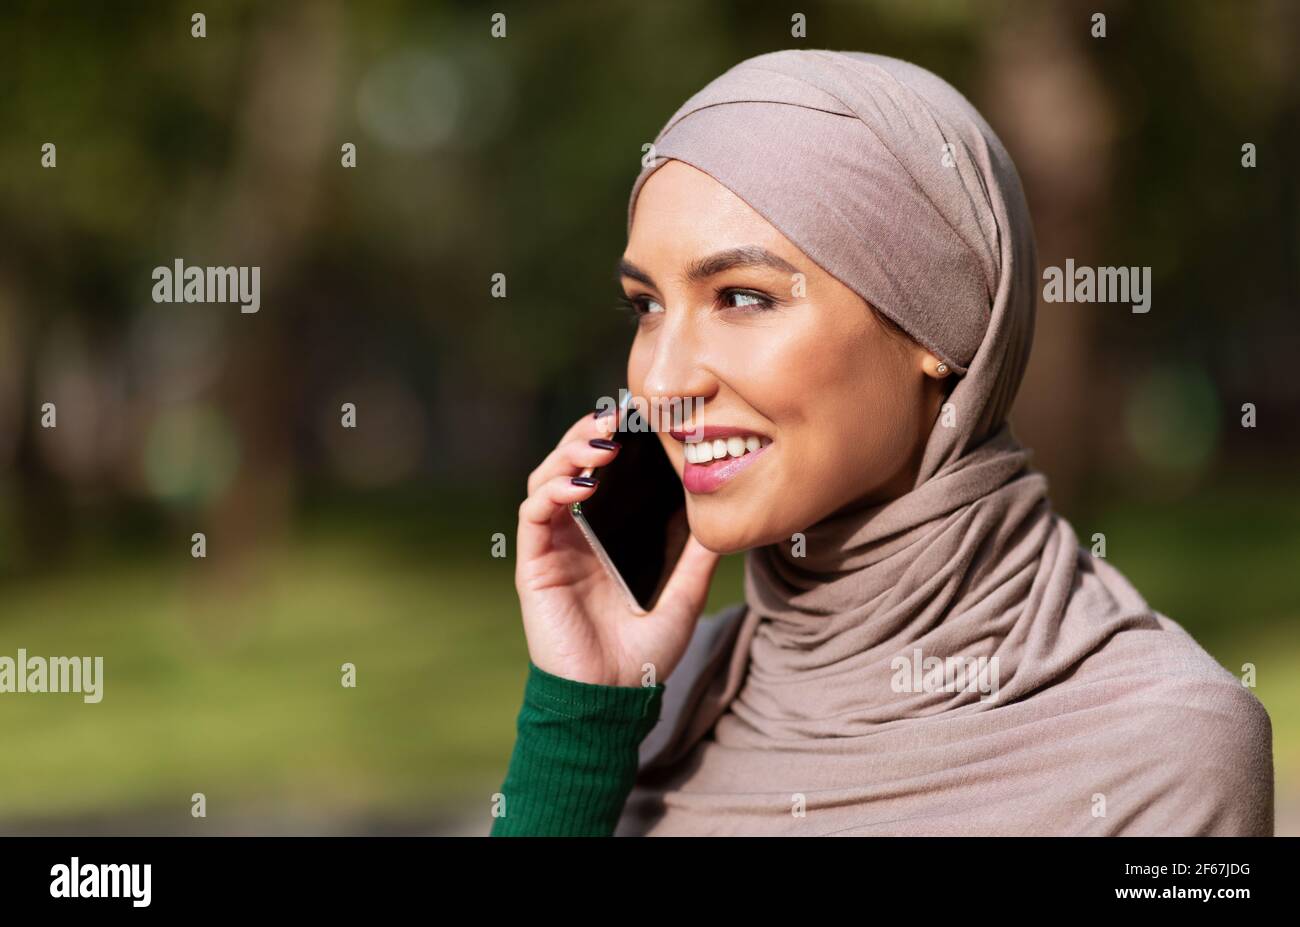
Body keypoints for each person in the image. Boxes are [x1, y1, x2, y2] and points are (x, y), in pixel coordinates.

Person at [491, 49, 1274, 837]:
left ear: (938, 321)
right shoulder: (656, 704)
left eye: (742, 297)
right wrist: (581, 723)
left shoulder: (1161, 749)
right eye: (647, 306)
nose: (658, 383)